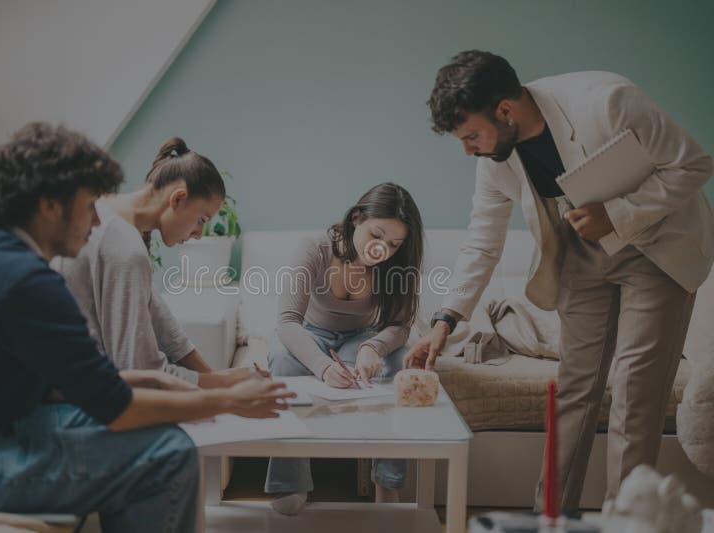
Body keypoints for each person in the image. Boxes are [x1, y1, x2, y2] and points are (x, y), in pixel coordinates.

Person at [0, 123, 293, 532]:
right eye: (90, 205)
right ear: (49, 206)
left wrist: (158, 382)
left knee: (148, 428)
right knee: (167, 454)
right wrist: (228, 402)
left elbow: (74, 383)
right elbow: (116, 409)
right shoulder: (27, 283)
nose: (97, 221)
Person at [408, 50, 713, 512]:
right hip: (580, 254)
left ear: (506, 110)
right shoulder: (495, 158)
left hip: (655, 249)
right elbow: (482, 242)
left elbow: (692, 164)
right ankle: (549, 517)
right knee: (573, 390)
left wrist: (616, 214)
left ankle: (628, 521)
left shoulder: (607, 101)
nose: (468, 149)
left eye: (471, 135)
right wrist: (444, 321)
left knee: (635, 392)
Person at [265, 182, 424, 515]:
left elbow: (400, 325)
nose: (382, 249)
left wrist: (373, 347)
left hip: (361, 338)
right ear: (356, 218)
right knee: (283, 361)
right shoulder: (314, 248)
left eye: (394, 244)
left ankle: (387, 481)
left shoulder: (395, 264)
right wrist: (322, 366)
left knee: (399, 365)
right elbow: (287, 322)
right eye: (376, 236)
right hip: (309, 334)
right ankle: (291, 483)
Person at [53, 136, 263, 388]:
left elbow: (161, 321)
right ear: (177, 199)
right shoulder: (124, 246)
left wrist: (219, 378)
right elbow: (140, 370)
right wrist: (218, 386)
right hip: (80, 398)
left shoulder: (109, 215)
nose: (199, 234)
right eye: (201, 219)